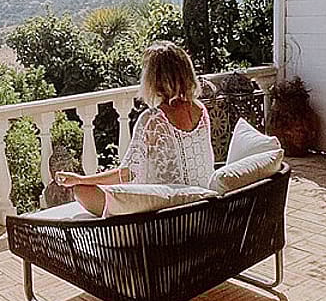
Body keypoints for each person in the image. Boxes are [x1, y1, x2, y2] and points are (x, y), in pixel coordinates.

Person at [55, 41, 213, 215]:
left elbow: (127, 173)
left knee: (82, 191)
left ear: (152, 79)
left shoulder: (154, 119)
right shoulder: (200, 110)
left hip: (167, 209)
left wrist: (82, 179)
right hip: (200, 203)